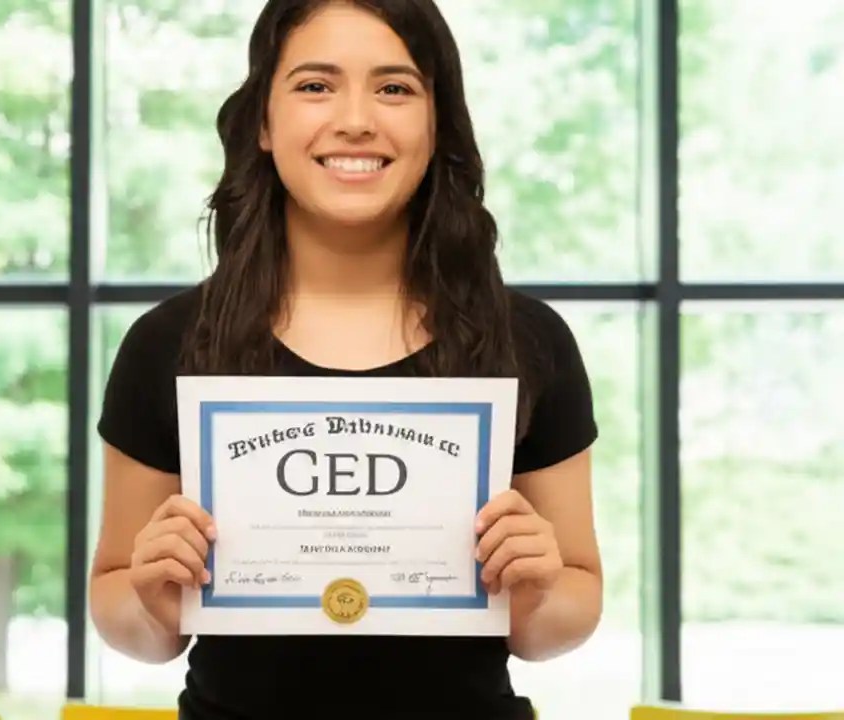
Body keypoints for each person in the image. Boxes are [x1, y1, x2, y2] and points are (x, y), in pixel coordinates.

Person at [89, 0, 603, 717]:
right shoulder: (167, 343)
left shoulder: (528, 338)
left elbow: (563, 615)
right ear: (264, 124)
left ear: (437, 124)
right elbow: (131, 621)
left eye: (394, 88)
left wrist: (537, 586)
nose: (356, 118)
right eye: (314, 85)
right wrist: (152, 594)